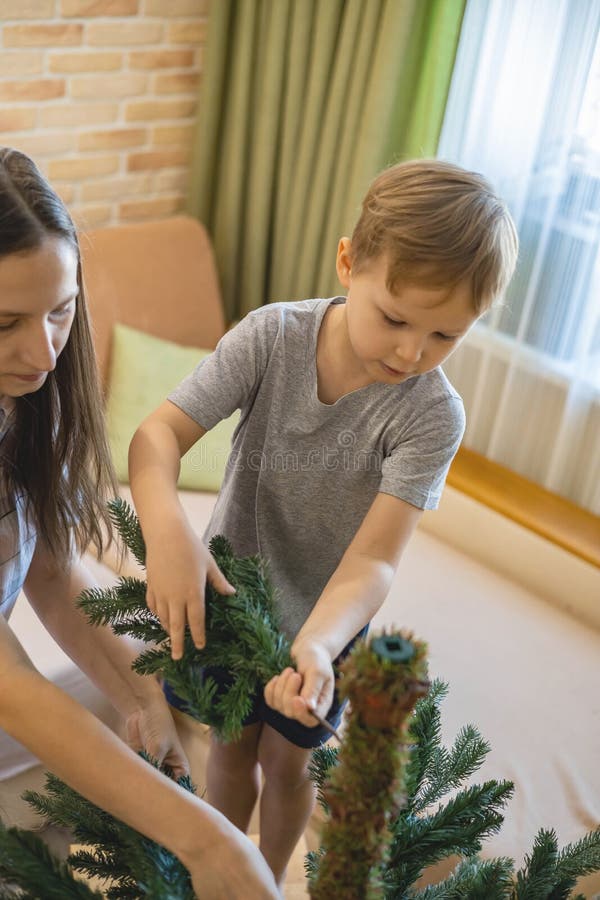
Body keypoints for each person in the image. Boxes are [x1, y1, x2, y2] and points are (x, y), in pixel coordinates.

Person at [128, 159, 519, 888]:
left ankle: (268, 881)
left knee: (288, 763)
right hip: (231, 597)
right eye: (396, 319)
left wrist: (315, 646)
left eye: (445, 337)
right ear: (348, 262)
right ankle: (225, 876)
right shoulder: (271, 337)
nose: (412, 353)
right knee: (232, 749)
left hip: (330, 620)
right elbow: (155, 438)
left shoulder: (433, 414)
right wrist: (166, 533)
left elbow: (373, 563)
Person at [0, 147, 280, 900]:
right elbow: (9, 685)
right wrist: (210, 842)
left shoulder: (21, 407)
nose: (44, 351)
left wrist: (140, 696)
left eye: (61, 312)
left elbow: (52, 569)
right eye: (6, 324)